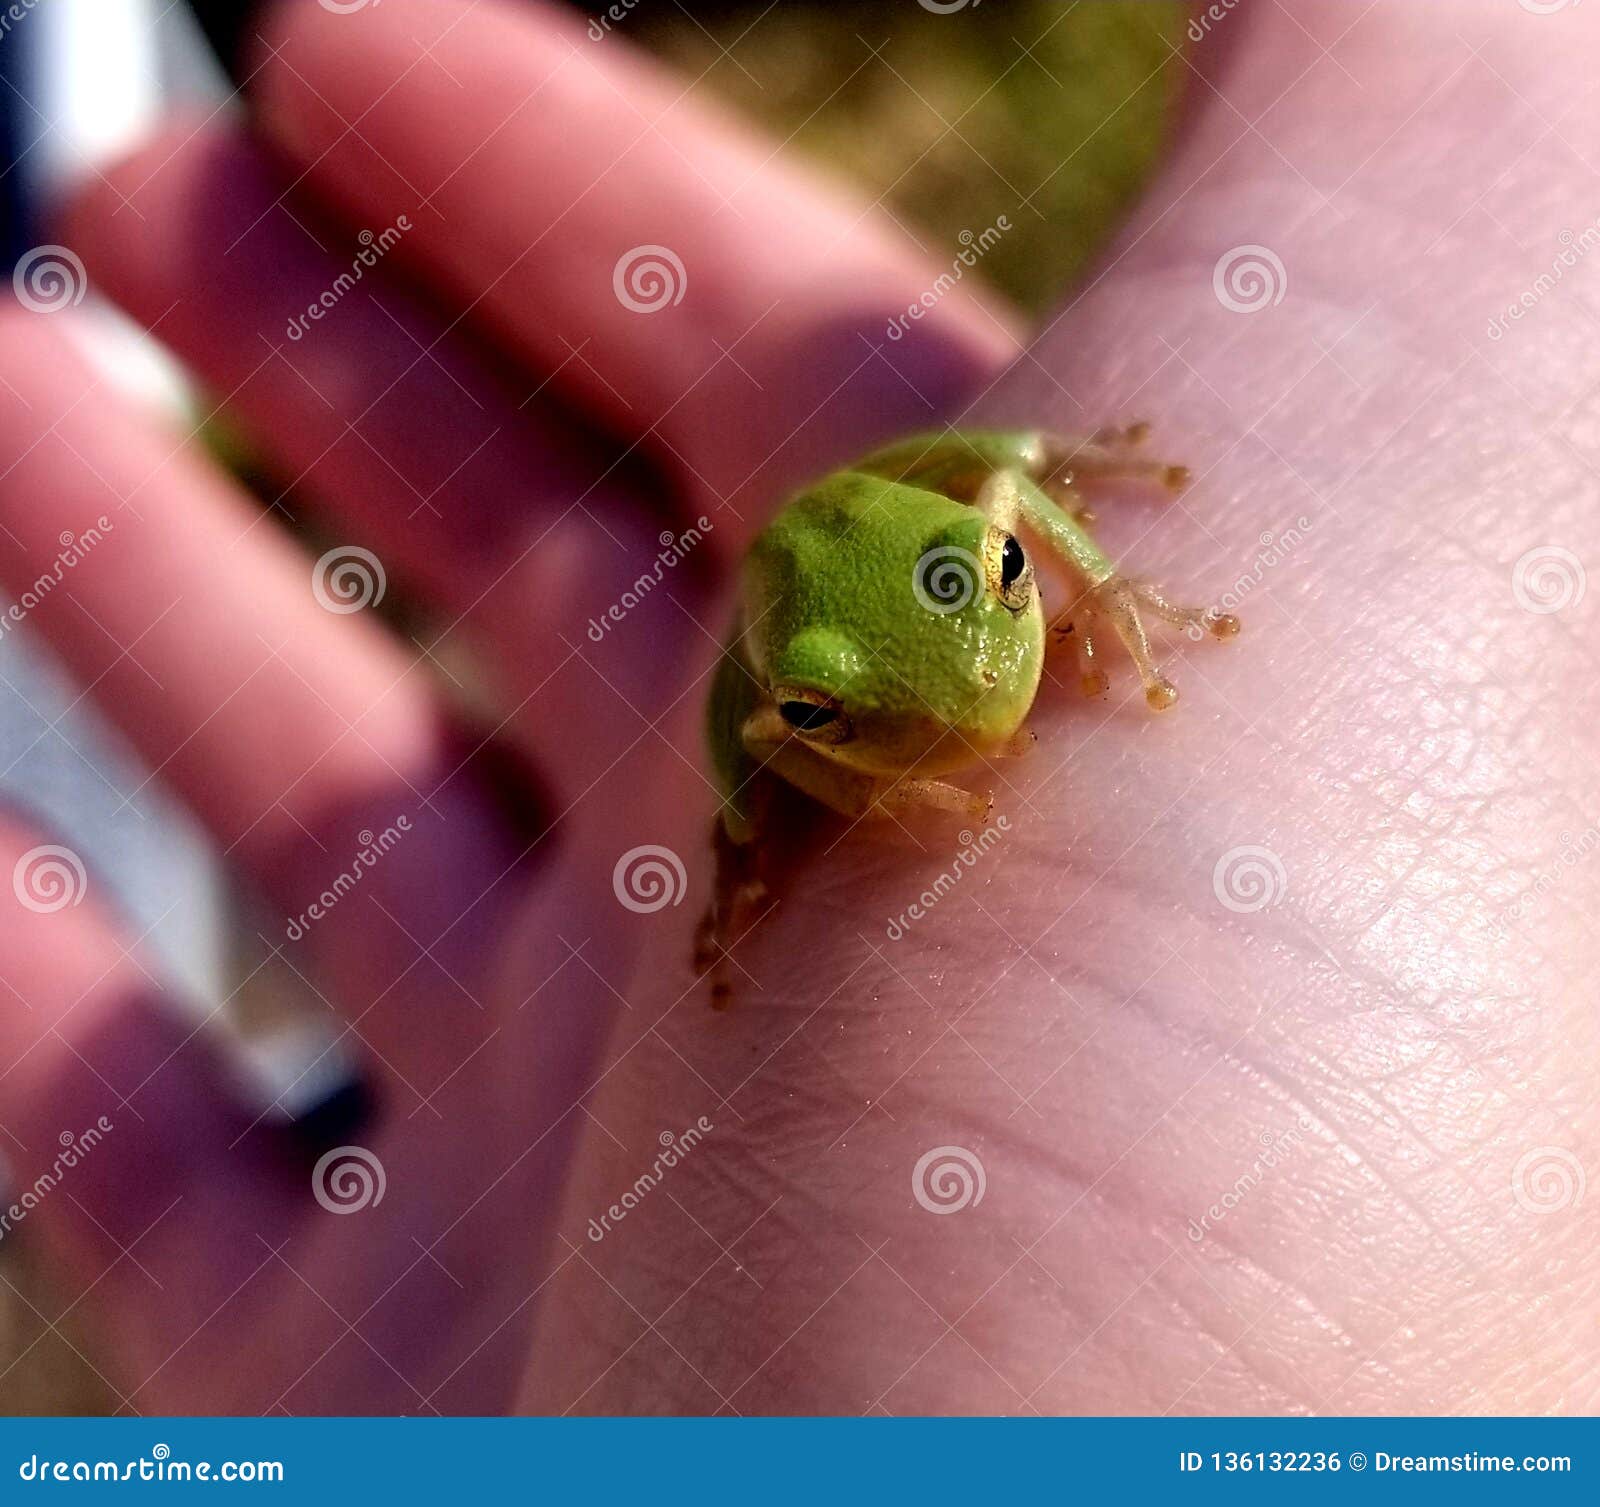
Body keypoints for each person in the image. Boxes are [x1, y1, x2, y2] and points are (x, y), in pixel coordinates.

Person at [0, 0, 1592, 1416]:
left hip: (889, 548)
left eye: (1001, 596)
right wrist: (785, 843)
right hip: (808, 646)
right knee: (778, 757)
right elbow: (761, 739)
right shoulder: (792, 712)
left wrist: (1091, 582)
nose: (991, 689)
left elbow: (1007, 485)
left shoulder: (978, 557)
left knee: (990, 517)